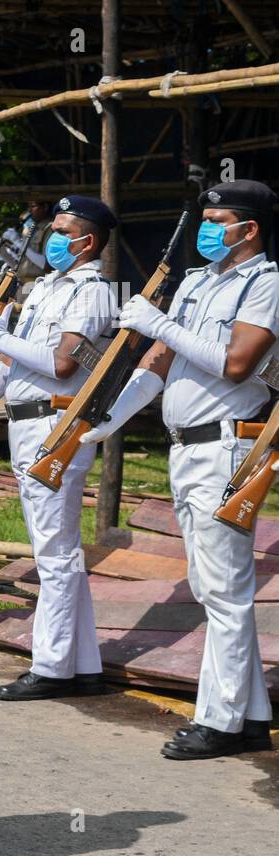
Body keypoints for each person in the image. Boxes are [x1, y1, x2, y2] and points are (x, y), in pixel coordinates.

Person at [77, 180, 277, 759]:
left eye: (218, 220)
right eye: (205, 218)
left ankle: (220, 721)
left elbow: (238, 365)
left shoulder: (266, 285)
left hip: (225, 449)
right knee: (208, 585)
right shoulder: (194, 282)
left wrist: (158, 323)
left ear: (250, 229)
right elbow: (159, 362)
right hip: (184, 448)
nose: (207, 230)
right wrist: (110, 418)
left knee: (224, 591)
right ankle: (252, 715)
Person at [0, 195, 119, 700]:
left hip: (58, 423)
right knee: (57, 549)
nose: (53, 238)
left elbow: (62, 365)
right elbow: (9, 363)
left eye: (62, 230)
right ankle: (84, 663)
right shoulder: (47, 287)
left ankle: (52, 667)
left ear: (87, 241)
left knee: (54, 552)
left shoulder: (93, 293)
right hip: (25, 423)